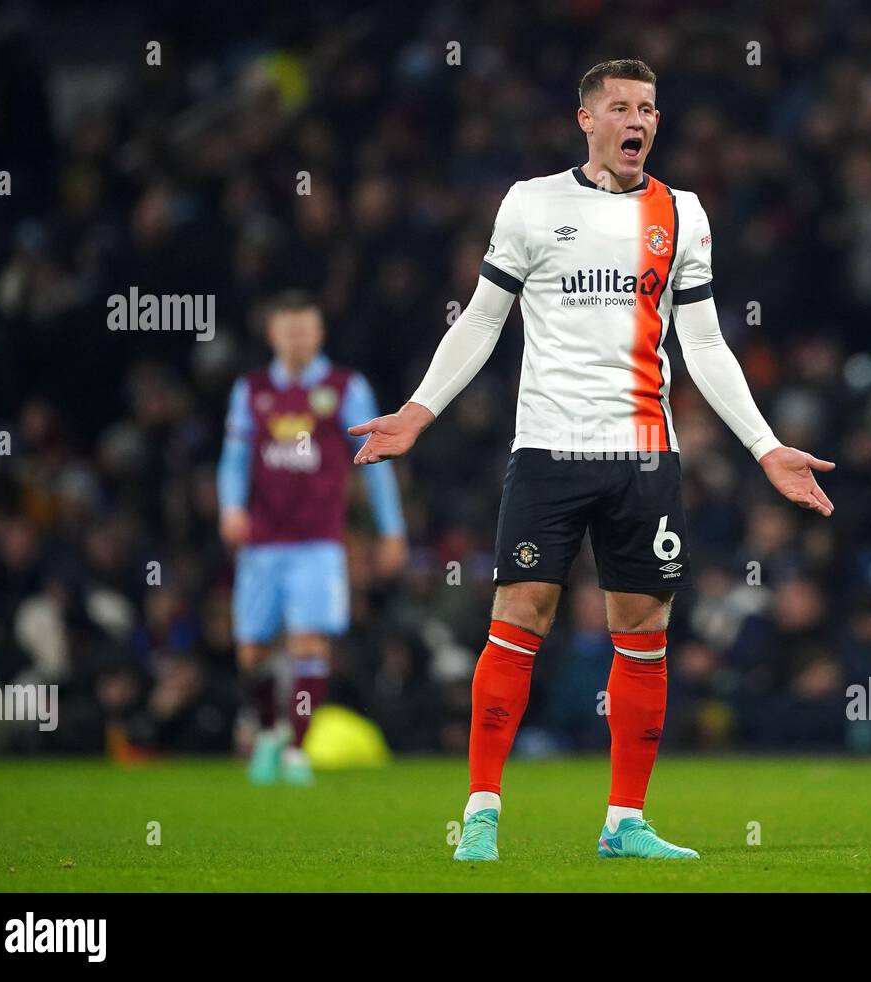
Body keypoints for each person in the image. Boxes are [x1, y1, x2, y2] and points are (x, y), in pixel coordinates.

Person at [349, 59, 835, 859]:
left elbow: (704, 342)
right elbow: (482, 319)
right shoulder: (532, 203)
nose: (636, 119)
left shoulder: (682, 212)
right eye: (620, 107)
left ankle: (625, 822)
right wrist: (419, 410)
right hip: (549, 449)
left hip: (646, 455)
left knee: (643, 629)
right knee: (520, 617)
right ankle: (481, 811)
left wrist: (766, 446)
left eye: (647, 108)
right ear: (587, 119)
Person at [219, 290, 408, 785]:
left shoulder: (345, 388)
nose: (298, 339)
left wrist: (391, 529)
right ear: (273, 334)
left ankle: (297, 750)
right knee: (252, 651)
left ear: (319, 333)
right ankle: (269, 732)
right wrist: (231, 507)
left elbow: (375, 462)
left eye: (306, 330)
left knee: (309, 643)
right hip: (262, 541)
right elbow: (235, 459)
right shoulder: (252, 390)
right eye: (290, 330)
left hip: (319, 542)